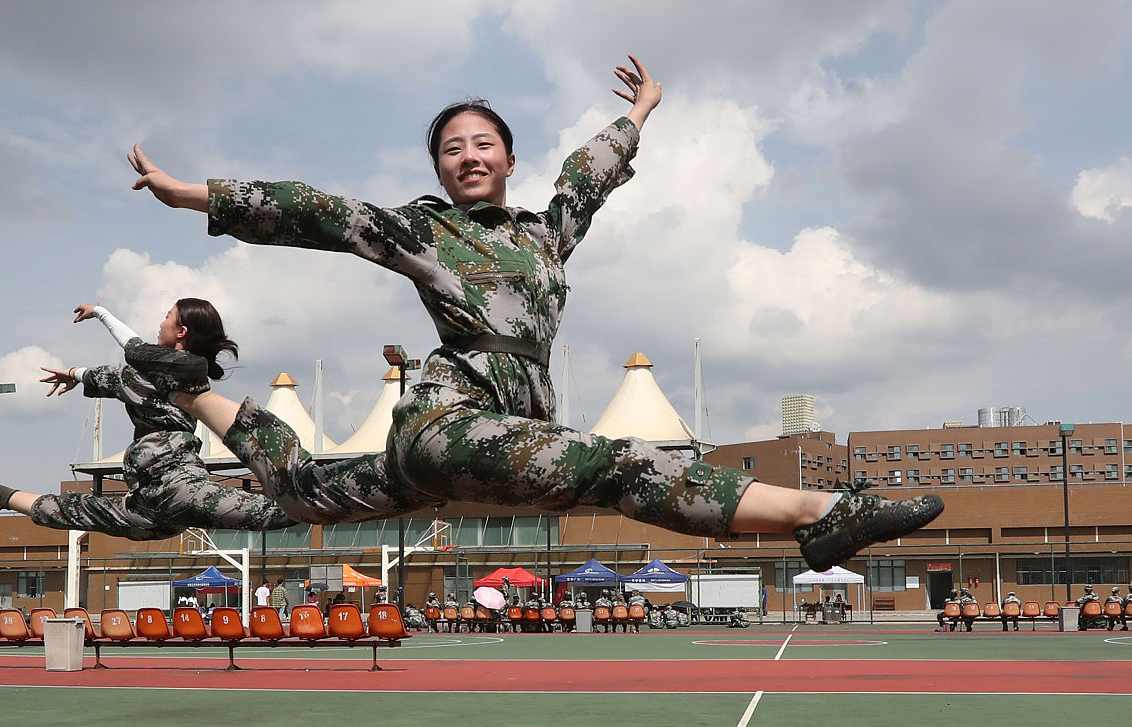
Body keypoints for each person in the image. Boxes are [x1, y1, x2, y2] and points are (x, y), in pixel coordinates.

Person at [124, 54, 943, 574]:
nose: (468, 155)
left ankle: (191, 388)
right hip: (446, 417)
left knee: (300, 489)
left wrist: (642, 110)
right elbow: (322, 212)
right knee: (622, 463)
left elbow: (586, 180)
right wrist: (193, 192)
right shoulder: (425, 227)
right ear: (440, 173)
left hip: (507, 433)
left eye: (483, 143)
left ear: (509, 160)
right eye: (451, 148)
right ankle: (823, 512)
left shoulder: (547, 235)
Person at [0, 301, 296, 541]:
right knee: (71, 510)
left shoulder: (164, 371)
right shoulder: (171, 371)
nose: (159, 322)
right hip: (152, 503)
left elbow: (128, 353)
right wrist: (81, 362)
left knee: (72, 510)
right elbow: (123, 358)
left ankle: (329, 494)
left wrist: (91, 338)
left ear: (181, 330)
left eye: (167, 316)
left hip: (176, 489)